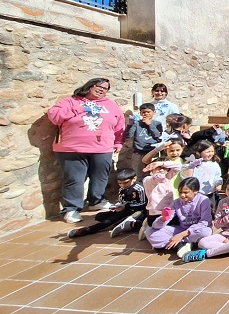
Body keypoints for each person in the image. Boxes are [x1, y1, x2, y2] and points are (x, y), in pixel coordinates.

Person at [48, 77, 126, 223]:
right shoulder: (70, 101)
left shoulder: (110, 105)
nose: (101, 90)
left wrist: (118, 142)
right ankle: (71, 209)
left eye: (105, 88)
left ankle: (96, 201)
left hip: (103, 147)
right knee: (74, 179)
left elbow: (120, 125)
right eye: (99, 86)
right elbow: (54, 116)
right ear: (89, 86)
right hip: (72, 149)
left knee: (101, 175)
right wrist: (80, 108)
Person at [182, 175, 229, 262]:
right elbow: (216, 224)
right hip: (224, 234)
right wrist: (226, 219)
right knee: (202, 242)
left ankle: (206, 254)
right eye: (228, 190)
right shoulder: (222, 202)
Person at [67, 167, 147, 238]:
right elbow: (122, 201)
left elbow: (143, 204)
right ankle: (128, 223)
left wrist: (126, 207)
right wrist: (117, 206)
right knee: (100, 216)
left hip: (139, 210)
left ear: (134, 178)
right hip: (126, 209)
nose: (122, 185)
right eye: (120, 183)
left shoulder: (140, 188)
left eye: (125, 182)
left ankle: (84, 231)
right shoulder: (122, 189)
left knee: (108, 222)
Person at [145, 176, 212, 257]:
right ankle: (181, 245)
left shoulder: (203, 200)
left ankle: (170, 244)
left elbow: (205, 222)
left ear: (195, 191)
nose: (182, 195)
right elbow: (157, 225)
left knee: (206, 232)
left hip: (195, 231)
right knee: (149, 231)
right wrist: (163, 218)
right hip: (181, 229)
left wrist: (181, 235)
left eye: (186, 192)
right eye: (180, 192)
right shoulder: (176, 202)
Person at [126, 102, 163, 180]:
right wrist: (130, 124)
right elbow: (129, 135)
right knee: (137, 173)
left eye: (148, 112)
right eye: (143, 112)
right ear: (140, 113)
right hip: (138, 152)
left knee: (152, 173)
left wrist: (150, 125)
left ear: (154, 112)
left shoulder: (157, 124)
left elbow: (158, 136)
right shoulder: (137, 124)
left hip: (152, 153)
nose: (146, 114)